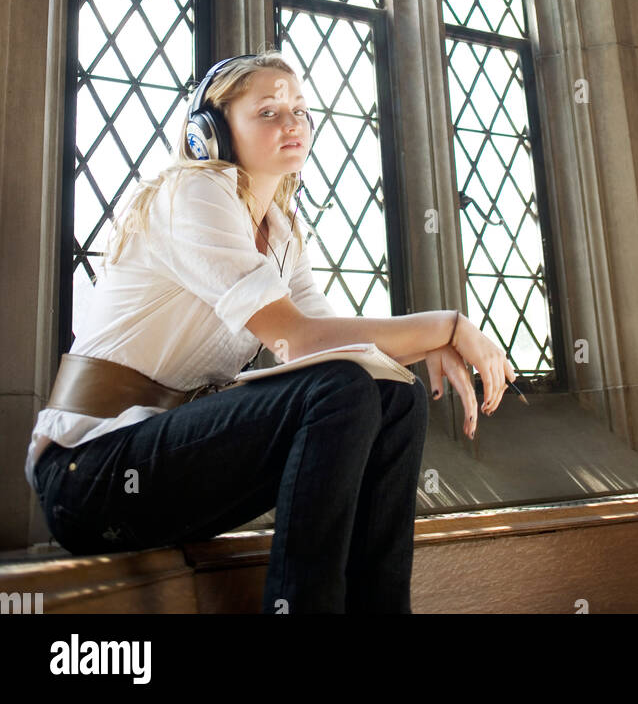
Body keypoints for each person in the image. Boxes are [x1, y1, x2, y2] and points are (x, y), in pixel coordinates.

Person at [25, 50, 516, 614]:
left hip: (173, 463)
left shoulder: (281, 232)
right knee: (343, 388)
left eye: (300, 110)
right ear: (209, 132)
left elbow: (343, 348)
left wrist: (428, 344)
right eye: (268, 111)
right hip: (91, 474)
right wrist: (447, 327)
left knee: (393, 393)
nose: (292, 124)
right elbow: (298, 340)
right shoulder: (194, 192)